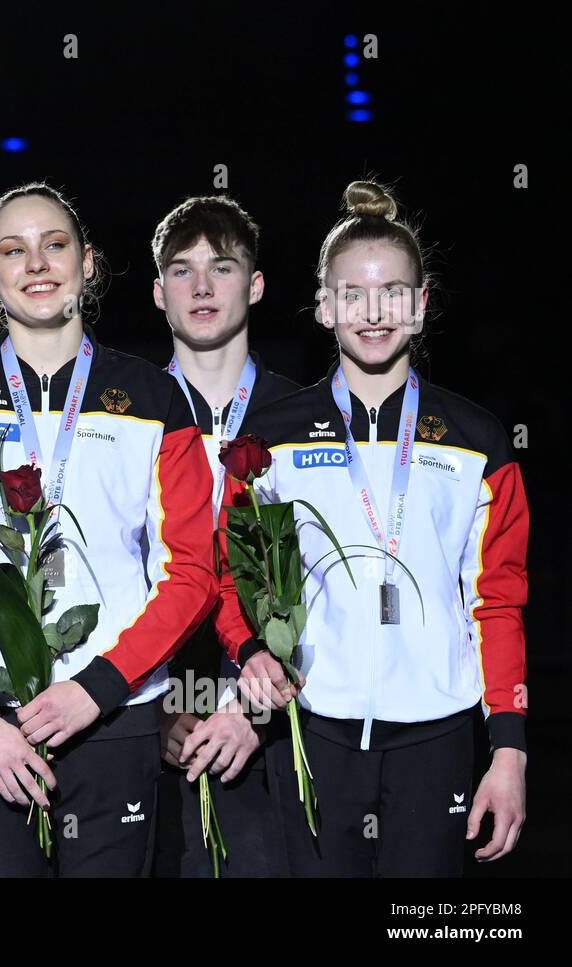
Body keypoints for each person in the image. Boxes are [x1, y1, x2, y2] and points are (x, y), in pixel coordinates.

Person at [0, 183, 216, 875]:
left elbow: (191, 573)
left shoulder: (157, 399)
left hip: (113, 719)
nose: (37, 263)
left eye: (54, 245)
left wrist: (99, 687)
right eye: (14, 250)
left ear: (88, 262)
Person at [207, 180, 528, 875]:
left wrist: (508, 748)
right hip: (311, 730)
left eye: (392, 292)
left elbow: (496, 601)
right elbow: (234, 576)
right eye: (352, 293)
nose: (372, 311)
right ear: (324, 307)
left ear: (422, 303)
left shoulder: (478, 439)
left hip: (437, 736)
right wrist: (248, 654)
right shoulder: (271, 438)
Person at [146, 195, 298, 877]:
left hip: (271, 709)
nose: (202, 287)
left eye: (222, 267)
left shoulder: (307, 417)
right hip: (144, 701)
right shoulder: (123, 412)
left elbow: (328, 585)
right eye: (182, 271)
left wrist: (252, 704)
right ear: (158, 293)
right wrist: (143, 705)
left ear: (256, 285)